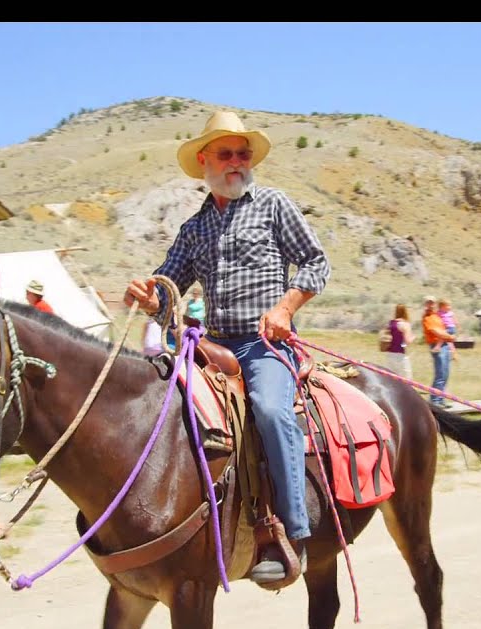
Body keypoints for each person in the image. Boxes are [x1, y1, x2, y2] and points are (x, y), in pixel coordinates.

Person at [122, 110, 331, 588]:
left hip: (266, 345)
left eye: (243, 153)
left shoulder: (274, 205)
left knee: (271, 412)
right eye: (226, 153)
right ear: (205, 161)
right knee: (159, 408)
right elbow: (168, 289)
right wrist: (148, 296)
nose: (237, 161)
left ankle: (290, 532)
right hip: (213, 347)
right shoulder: (194, 228)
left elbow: (317, 264)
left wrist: (285, 308)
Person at [422, 296, 455, 408]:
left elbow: (444, 328)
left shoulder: (437, 316)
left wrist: (448, 337)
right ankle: (435, 400)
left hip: (444, 345)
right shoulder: (427, 318)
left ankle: (440, 398)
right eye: (429, 303)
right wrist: (450, 336)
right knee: (440, 374)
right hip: (438, 346)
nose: (431, 305)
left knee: (445, 373)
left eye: (433, 303)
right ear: (426, 304)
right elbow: (437, 332)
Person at [384, 304, 413, 378]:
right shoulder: (405, 324)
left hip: (390, 353)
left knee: (392, 378)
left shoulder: (391, 323)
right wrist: (413, 337)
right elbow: (408, 341)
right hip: (400, 354)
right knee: (406, 379)